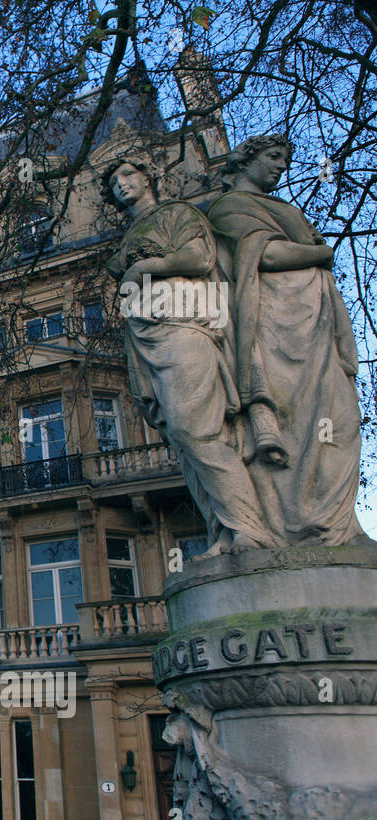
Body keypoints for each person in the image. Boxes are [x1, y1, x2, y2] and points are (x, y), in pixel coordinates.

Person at [103, 155, 278, 555]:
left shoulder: (177, 212)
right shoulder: (130, 234)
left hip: (184, 323)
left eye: (128, 173)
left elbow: (199, 258)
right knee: (181, 442)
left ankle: (250, 527)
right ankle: (222, 531)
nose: (120, 184)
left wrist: (143, 267)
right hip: (145, 332)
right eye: (113, 181)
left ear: (150, 176)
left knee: (193, 428)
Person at [207, 135, 365, 545]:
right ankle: (293, 523)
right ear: (244, 161)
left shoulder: (281, 208)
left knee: (340, 419)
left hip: (312, 324)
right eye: (274, 157)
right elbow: (268, 257)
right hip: (271, 328)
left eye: (286, 159)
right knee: (292, 422)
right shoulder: (229, 207)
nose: (282, 166)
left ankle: (337, 526)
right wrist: (321, 254)